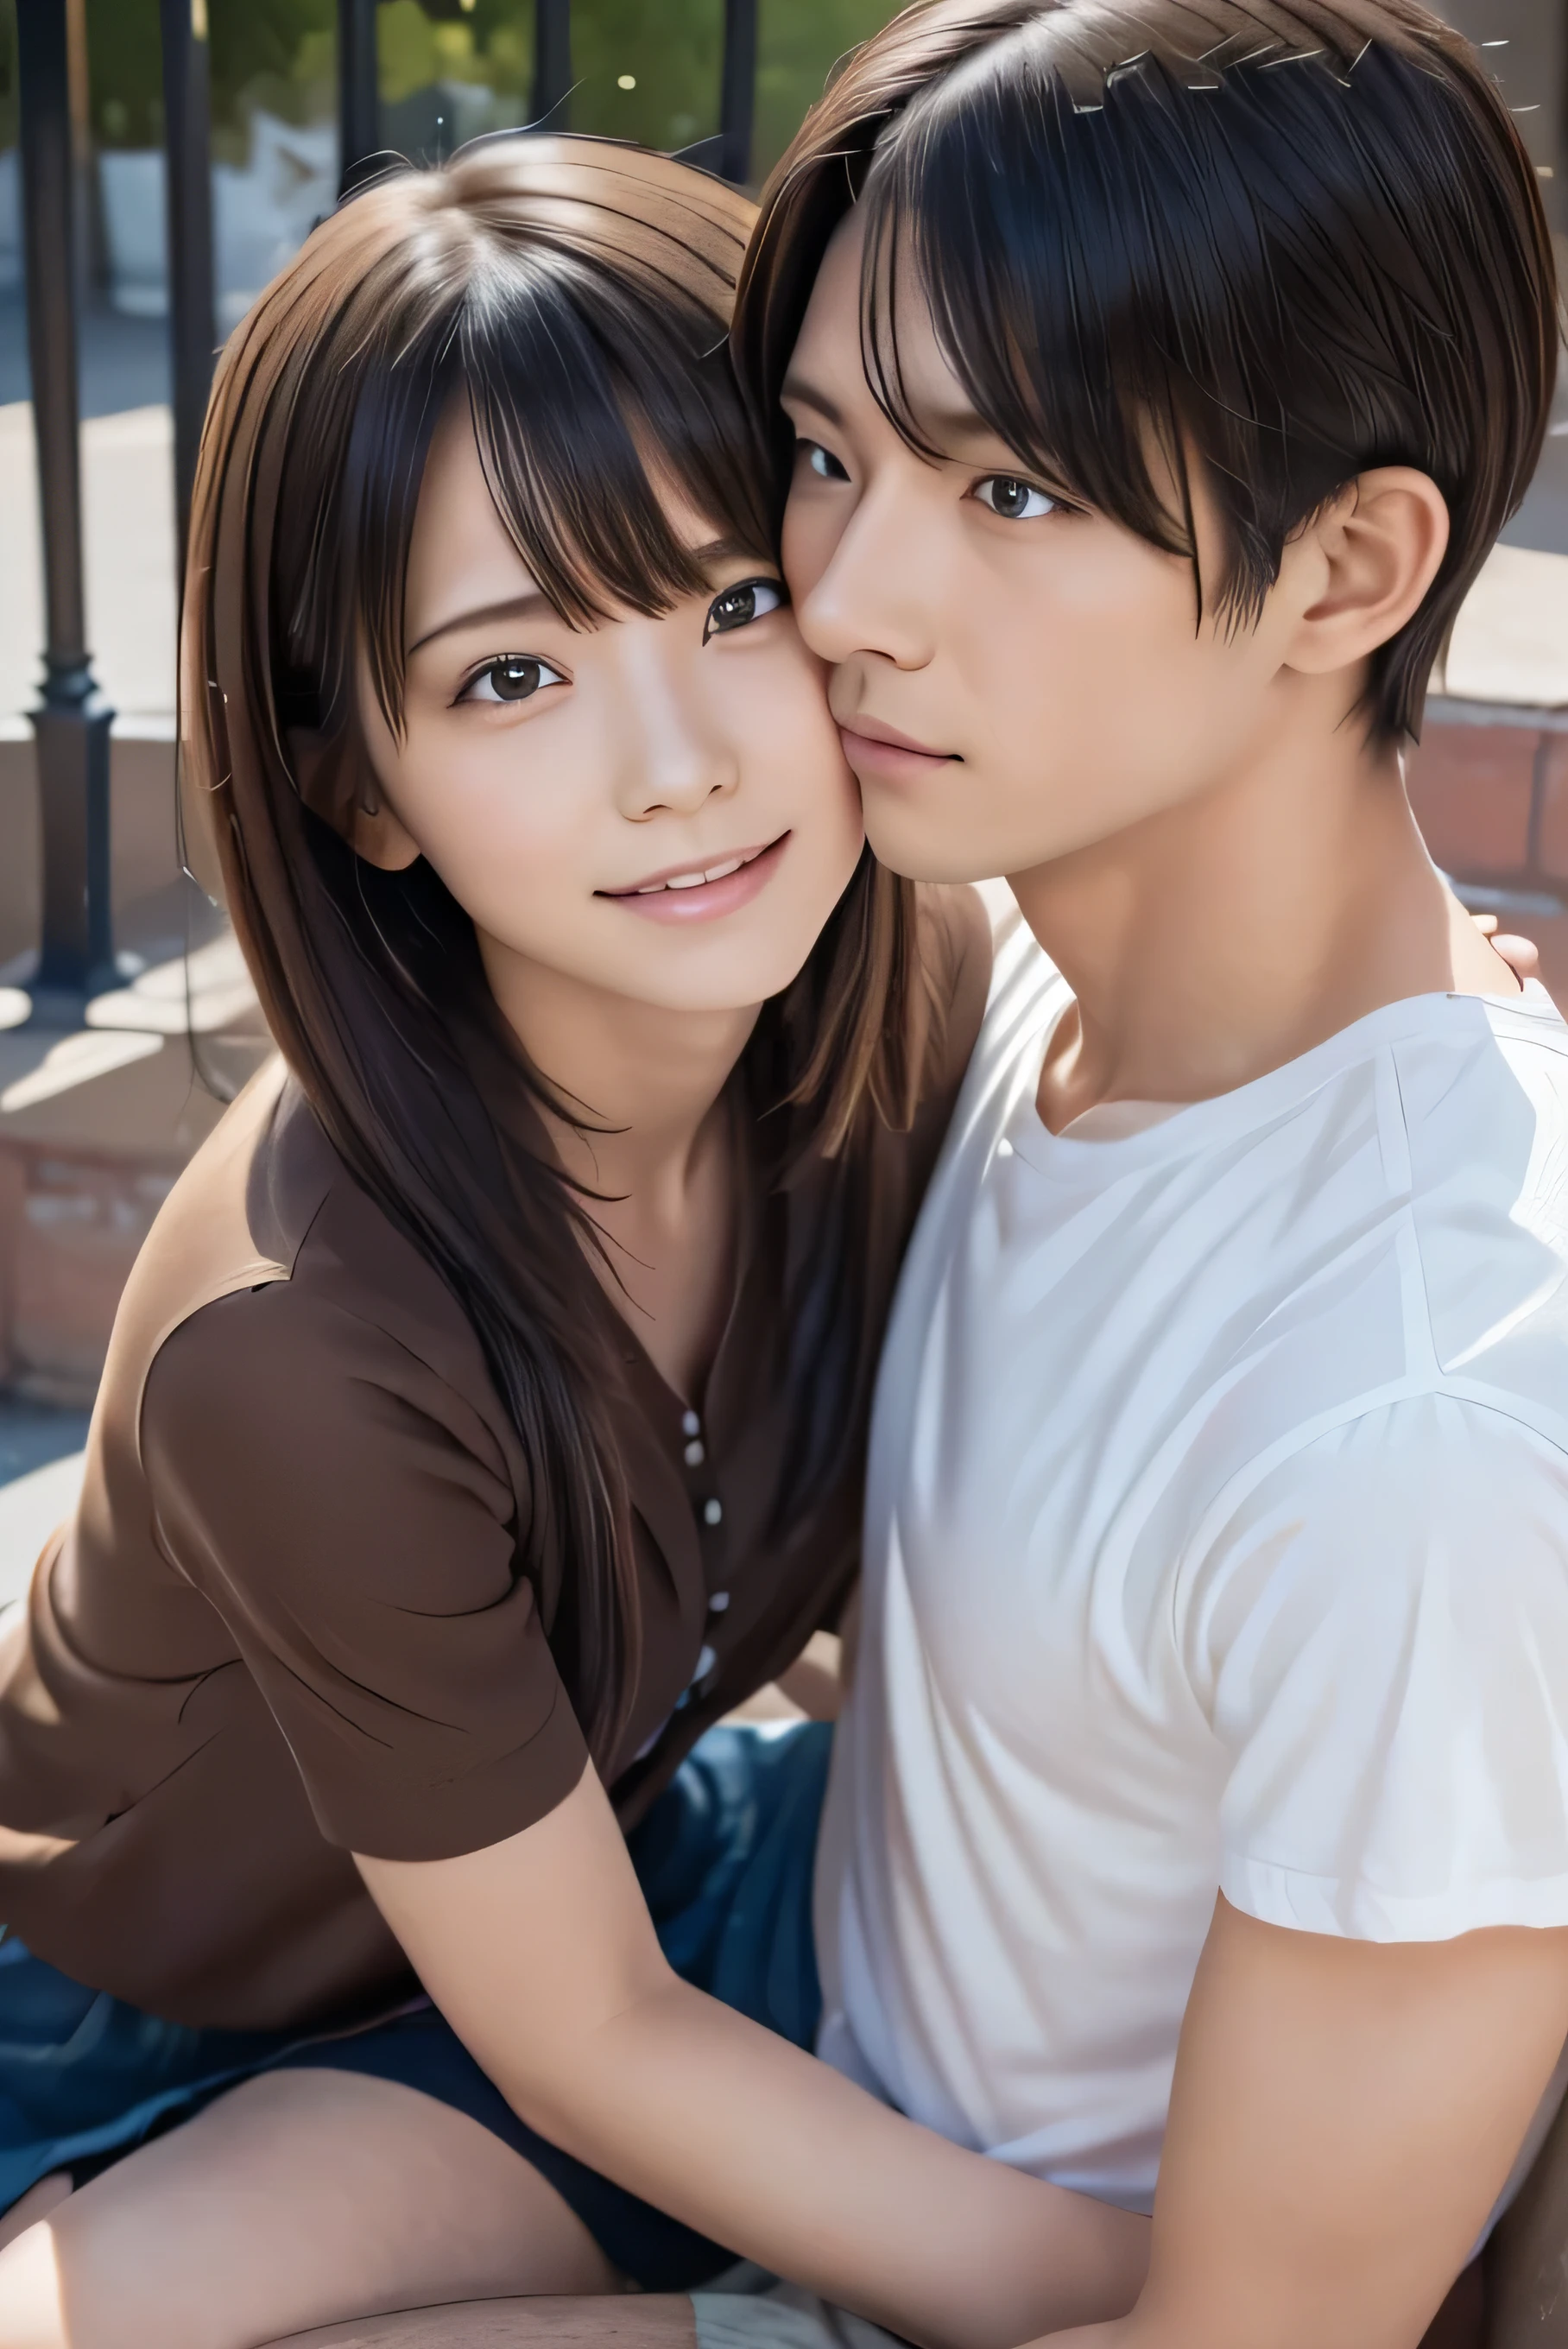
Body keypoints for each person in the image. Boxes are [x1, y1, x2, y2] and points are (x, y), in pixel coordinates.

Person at [0, 137, 1148, 2349]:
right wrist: (1174, 2300)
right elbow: (586, 2042)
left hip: (629, 1878)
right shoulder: (302, 1339)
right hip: (154, 2034)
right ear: (359, 785)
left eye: (730, 602)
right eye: (511, 677)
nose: (679, 768)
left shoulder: (891, 988)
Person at [723, 0, 1568, 2341]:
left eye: (1011, 493)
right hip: (810, 2046)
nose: (844, 598)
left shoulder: (1428, 1438)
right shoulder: (1017, 964)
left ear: (1345, 573)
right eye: (819, 459)